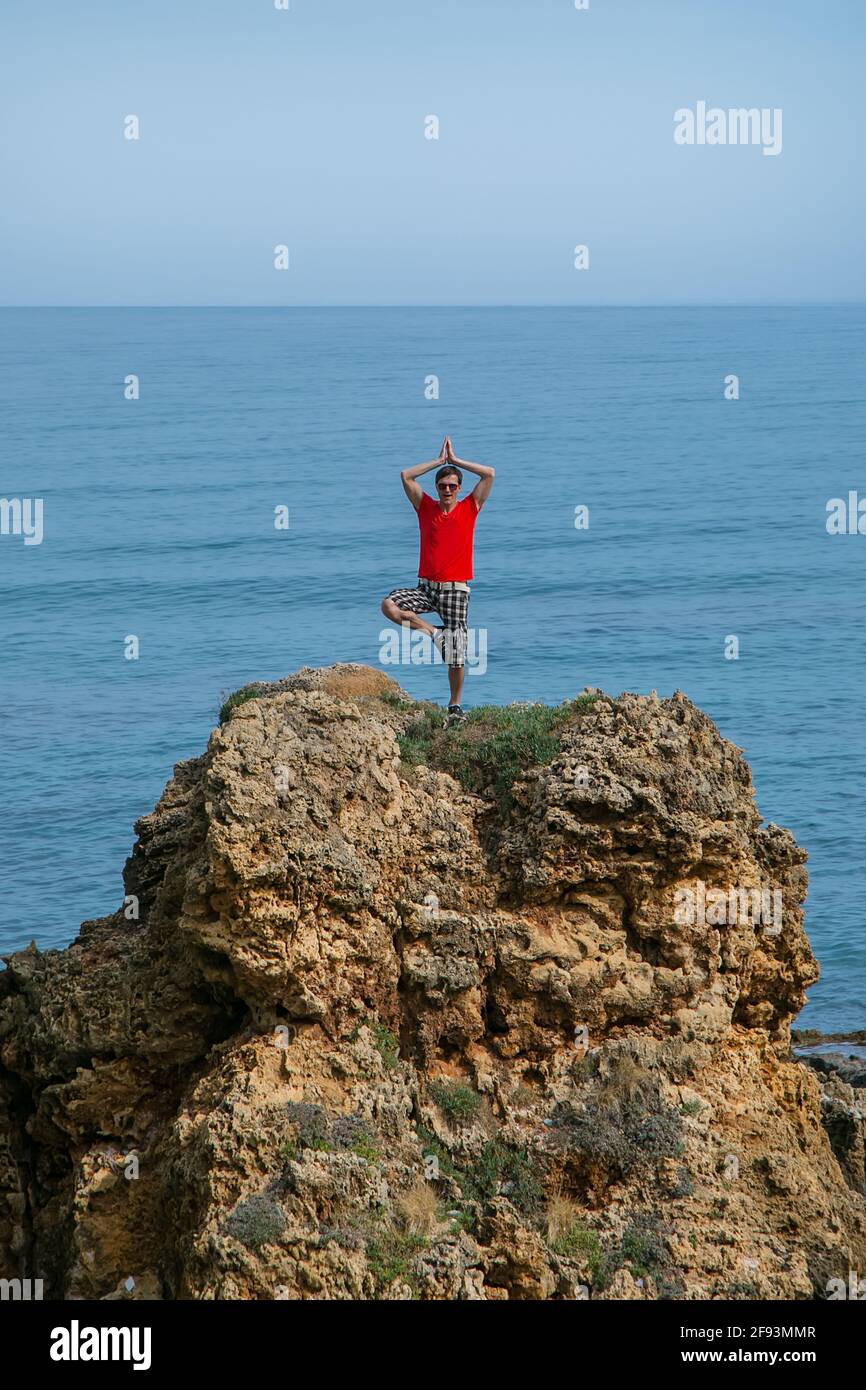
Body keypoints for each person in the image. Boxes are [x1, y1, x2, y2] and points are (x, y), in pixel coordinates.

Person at [381, 436, 495, 721]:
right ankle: (434, 634)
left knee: (456, 654)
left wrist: (455, 461)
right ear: (436, 487)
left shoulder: (470, 508)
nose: (447, 490)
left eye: (452, 486)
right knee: (389, 606)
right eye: (443, 485)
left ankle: (455, 706)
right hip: (426, 589)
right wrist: (438, 460)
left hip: (456, 592)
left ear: (459, 488)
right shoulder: (425, 508)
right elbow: (406, 476)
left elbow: (489, 473)